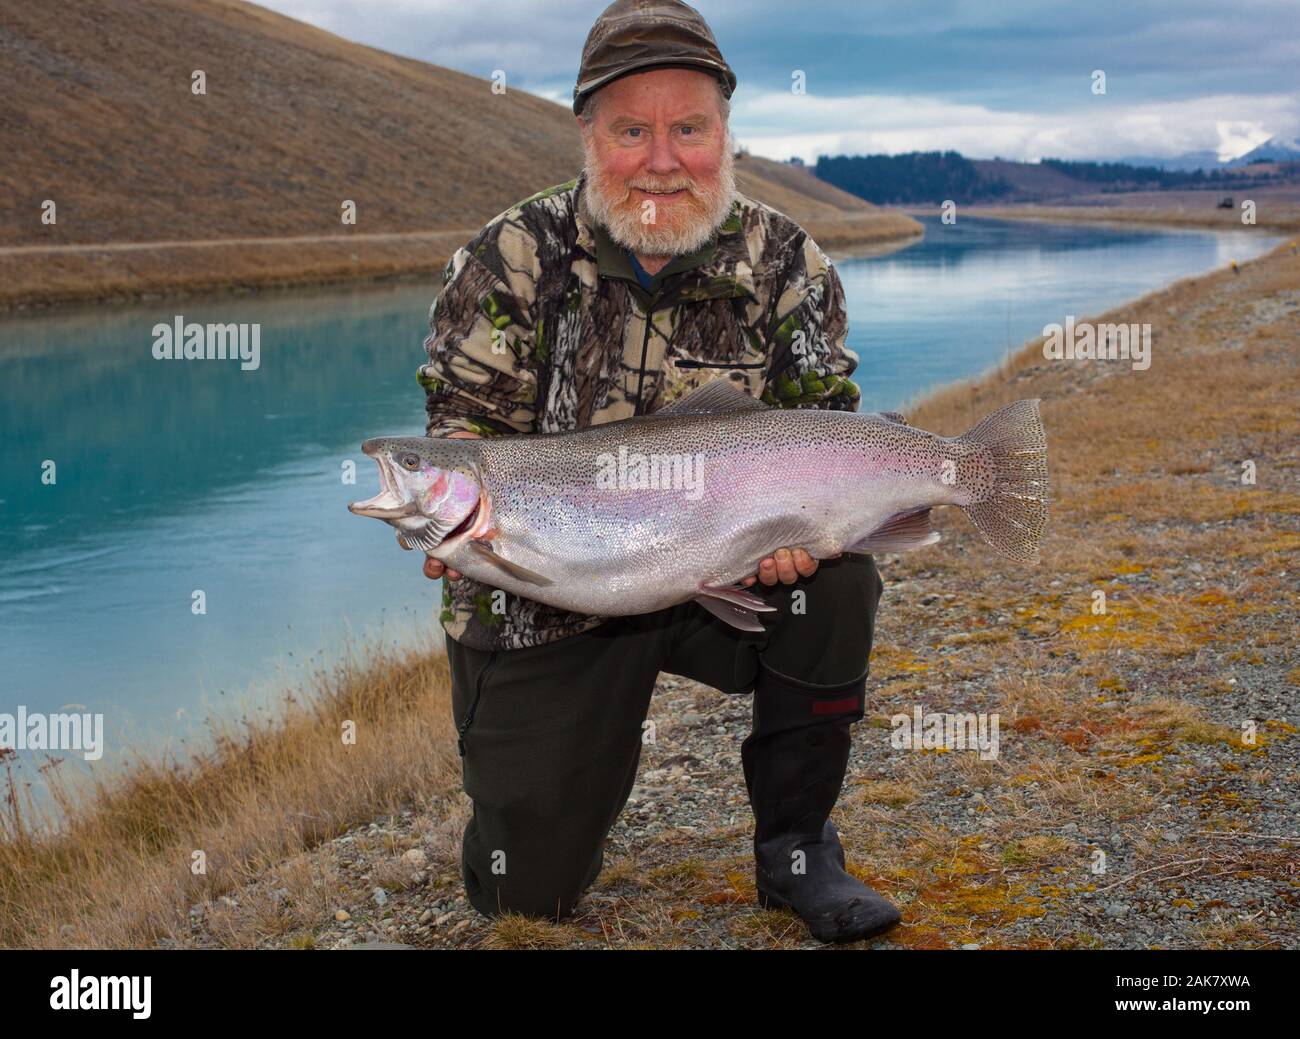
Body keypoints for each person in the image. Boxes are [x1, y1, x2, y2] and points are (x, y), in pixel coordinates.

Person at [416, 0, 901, 943]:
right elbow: (461, 434)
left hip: (724, 572)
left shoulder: (788, 262)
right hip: (549, 594)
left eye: (690, 128)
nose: (662, 158)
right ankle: (539, 806)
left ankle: (799, 853)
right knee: (527, 895)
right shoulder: (509, 258)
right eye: (631, 130)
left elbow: (827, 431)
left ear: (727, 133)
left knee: (836, 584)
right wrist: (451, 533)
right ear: (587, 134)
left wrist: (800, 535)